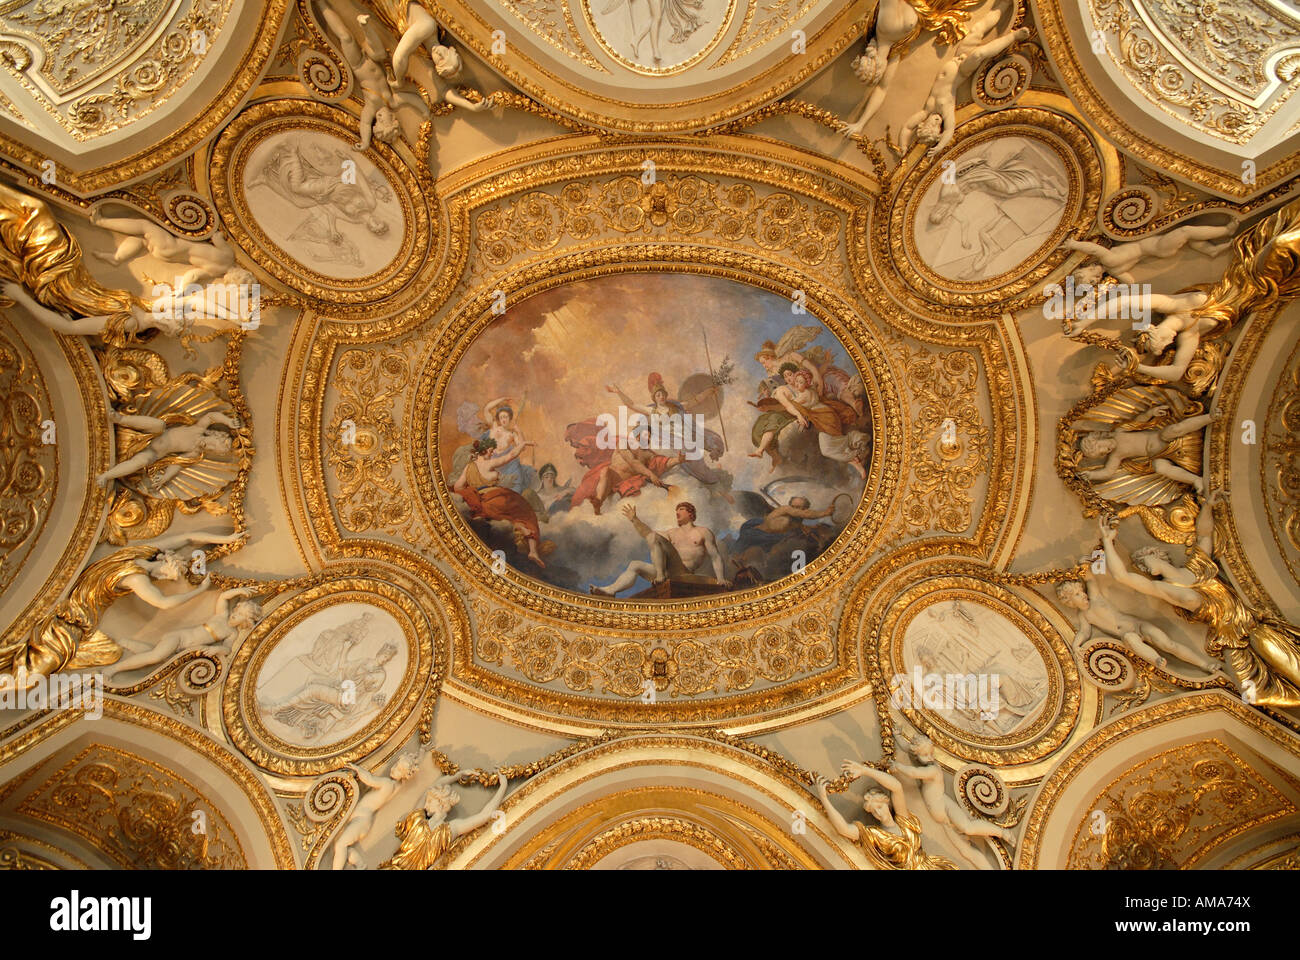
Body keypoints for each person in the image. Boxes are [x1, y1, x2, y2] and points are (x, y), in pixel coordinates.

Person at [103, 587, 262, 682]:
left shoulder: (231, 633)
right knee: (156, 656)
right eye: (237, 610)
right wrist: (239, 591)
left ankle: (125, 643)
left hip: (182, 648)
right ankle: (113, 670)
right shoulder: (221, 616)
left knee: (155, 657)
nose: (235, 614)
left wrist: (216, 650)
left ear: (246, 621)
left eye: (240, 614)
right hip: (179, 638)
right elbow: (223, 597)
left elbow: (228, 649)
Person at [818, 766, 955, 870]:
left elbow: (897, 787)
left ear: (887, 803)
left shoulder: (903, 822)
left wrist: (865, 770)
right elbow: (844, 829)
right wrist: (824, 798)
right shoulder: (876, 835)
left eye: (879, 806)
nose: (878, 812)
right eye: (873, 811)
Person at [590, 501, 727, 596]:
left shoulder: (703, 532)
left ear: (690, 514)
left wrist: (721, 578)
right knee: (635, 564)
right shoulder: (671, 533)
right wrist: (634, 520)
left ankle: (661, 576)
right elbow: (649, 535)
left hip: (684, 572)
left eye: (681, 509)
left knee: (654, 537)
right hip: (667, 571)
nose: (677, 512)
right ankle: (611, 590)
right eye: (676, 510)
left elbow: (715, 556)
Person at [453, 437, 546, 566]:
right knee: (526, 512)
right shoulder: (488, 463)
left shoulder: (468, 467)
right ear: (484, 450)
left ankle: (519, 527)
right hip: (498, 498)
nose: (492, 454)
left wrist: (472, 492)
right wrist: (523, 443)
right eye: (490, 451)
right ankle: (533, 550)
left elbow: (458, 487)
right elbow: (511, 455)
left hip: (482, 503)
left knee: (505, 517)